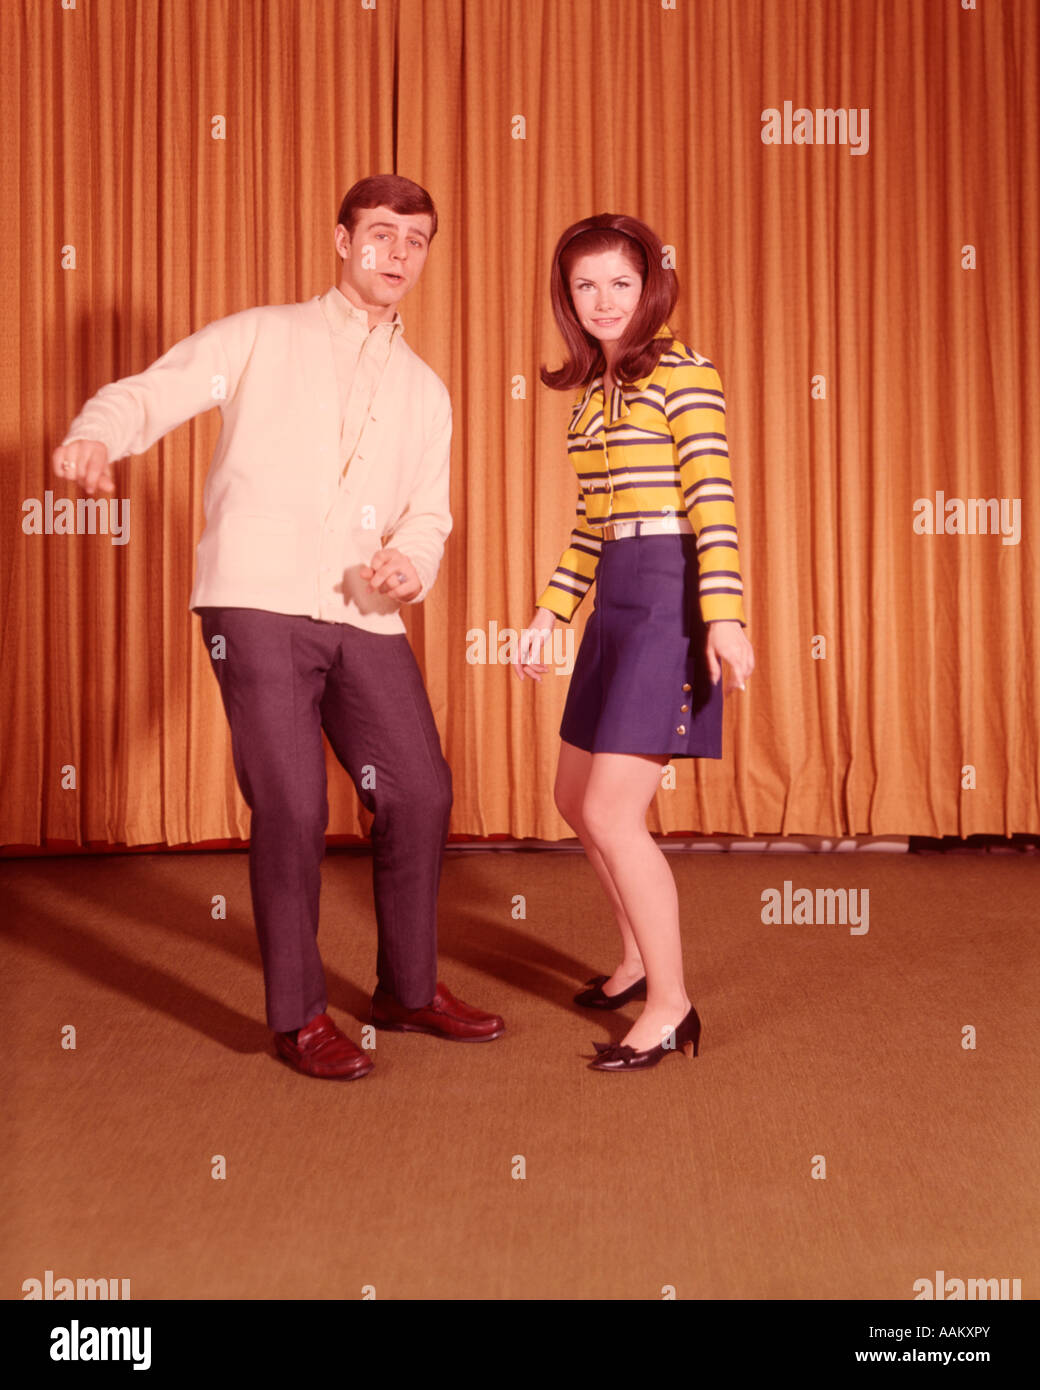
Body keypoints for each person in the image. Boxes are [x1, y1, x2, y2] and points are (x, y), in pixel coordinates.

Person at [53, 174, 504, 1080]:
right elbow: (151, 392)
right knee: (293, 804)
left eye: (416, 241)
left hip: (363, 611)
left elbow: (429, 513)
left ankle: (407, 992)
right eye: (381, 234)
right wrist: (96, 434)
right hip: (254, 601)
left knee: (419, 791)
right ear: (343, 240)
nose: (398, 255)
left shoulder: (426, 390)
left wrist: (410, 564)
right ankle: (298, 1018)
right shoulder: (262, 334)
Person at [514, 213, 754, 1073]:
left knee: (617, 812)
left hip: (667, 593)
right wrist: (551, 610)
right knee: (574, 798)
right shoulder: (589, 395)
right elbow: (590, 522)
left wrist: (722, 614)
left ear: (649, 284)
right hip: (614, 592)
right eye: (585, 285)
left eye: (620, 282)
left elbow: (712, 497)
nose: (603, 301)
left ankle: (672, 1002)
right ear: (566, 297)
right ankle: (635, 959)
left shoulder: (684, 372)